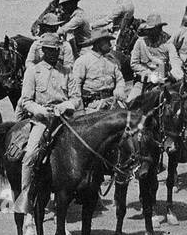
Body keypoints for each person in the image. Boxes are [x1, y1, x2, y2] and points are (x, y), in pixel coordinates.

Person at [14, 33, 78, 218]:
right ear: (43, 51)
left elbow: (76, 99)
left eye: (56, 50)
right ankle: (25, 197)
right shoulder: (33, 71)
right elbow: (25, 100)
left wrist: (65, 106)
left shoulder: (67, 71)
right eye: (49, 50)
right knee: (30, 155)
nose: (52, 54)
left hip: (65, 119)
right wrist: (40, 110)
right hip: (42, 120)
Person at [71, 27, 128, 111]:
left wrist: (119, 90)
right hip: (93, 106)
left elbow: (120, 79)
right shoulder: (83, 61)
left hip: (112, 102)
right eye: (107, 42)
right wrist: (80, 109)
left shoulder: (112, 61)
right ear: (98, 43)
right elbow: (76, 86)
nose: (110, 45)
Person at [128, 15, 182, 103]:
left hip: (163, 83)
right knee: (130, 103)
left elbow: (175, 61)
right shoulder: (140, 42)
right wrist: (149, 74)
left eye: (154, 29)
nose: (151, 32)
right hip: (143, 83)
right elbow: (134, 64)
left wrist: (174, 74)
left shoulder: (168, 44)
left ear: (160, 29)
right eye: (149, 30)